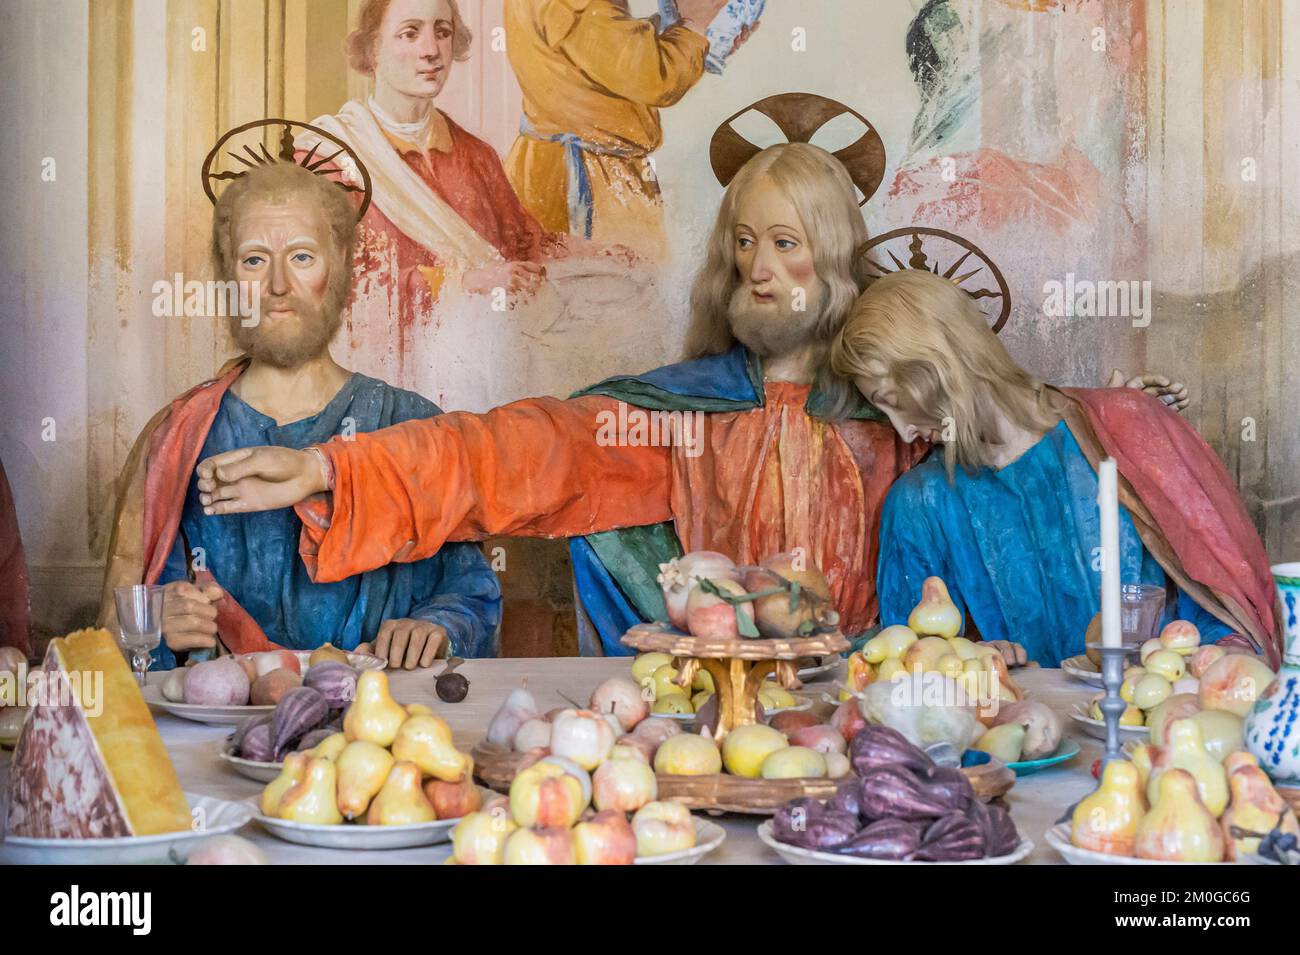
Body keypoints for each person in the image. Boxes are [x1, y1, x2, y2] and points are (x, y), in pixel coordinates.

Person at [189, 144, 1188, 659]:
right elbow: (513, 453)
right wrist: (331, 466)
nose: (758, 268)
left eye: (786, 244)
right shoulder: (675, 413)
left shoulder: (901, 414)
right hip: (706, 745)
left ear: (836, 259)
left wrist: (1121, 420)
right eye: (742, 243)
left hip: (895, 732)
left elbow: (1013, 425)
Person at [98, 160, 501, 669]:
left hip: (383, 724)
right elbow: (128, 628)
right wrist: (160, 622)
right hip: (225, 728)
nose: (278, 285)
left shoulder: (412, 423)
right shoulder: (180, 437)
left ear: (340, 272)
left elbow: (470, 592)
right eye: (253, 261)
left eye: (303, 257)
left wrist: (438, 626)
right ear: (227, 278)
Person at [830, 269, 1281, 668]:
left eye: (893, 403)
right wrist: (973, 657)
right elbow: (911, 662)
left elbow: (1226, 607)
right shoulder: (919, 502)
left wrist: (1196, 666)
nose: (903, 432)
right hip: (1022, 746)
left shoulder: (1119, 428)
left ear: (941, 367)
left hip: (1155, 727)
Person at [502, 0, 736, 255]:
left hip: (556, 165)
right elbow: (656, 78)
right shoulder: (577, 5)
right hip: (594, 180)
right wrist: (693, 25)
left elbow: (608, 51)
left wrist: (683, 34)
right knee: (620, 283)